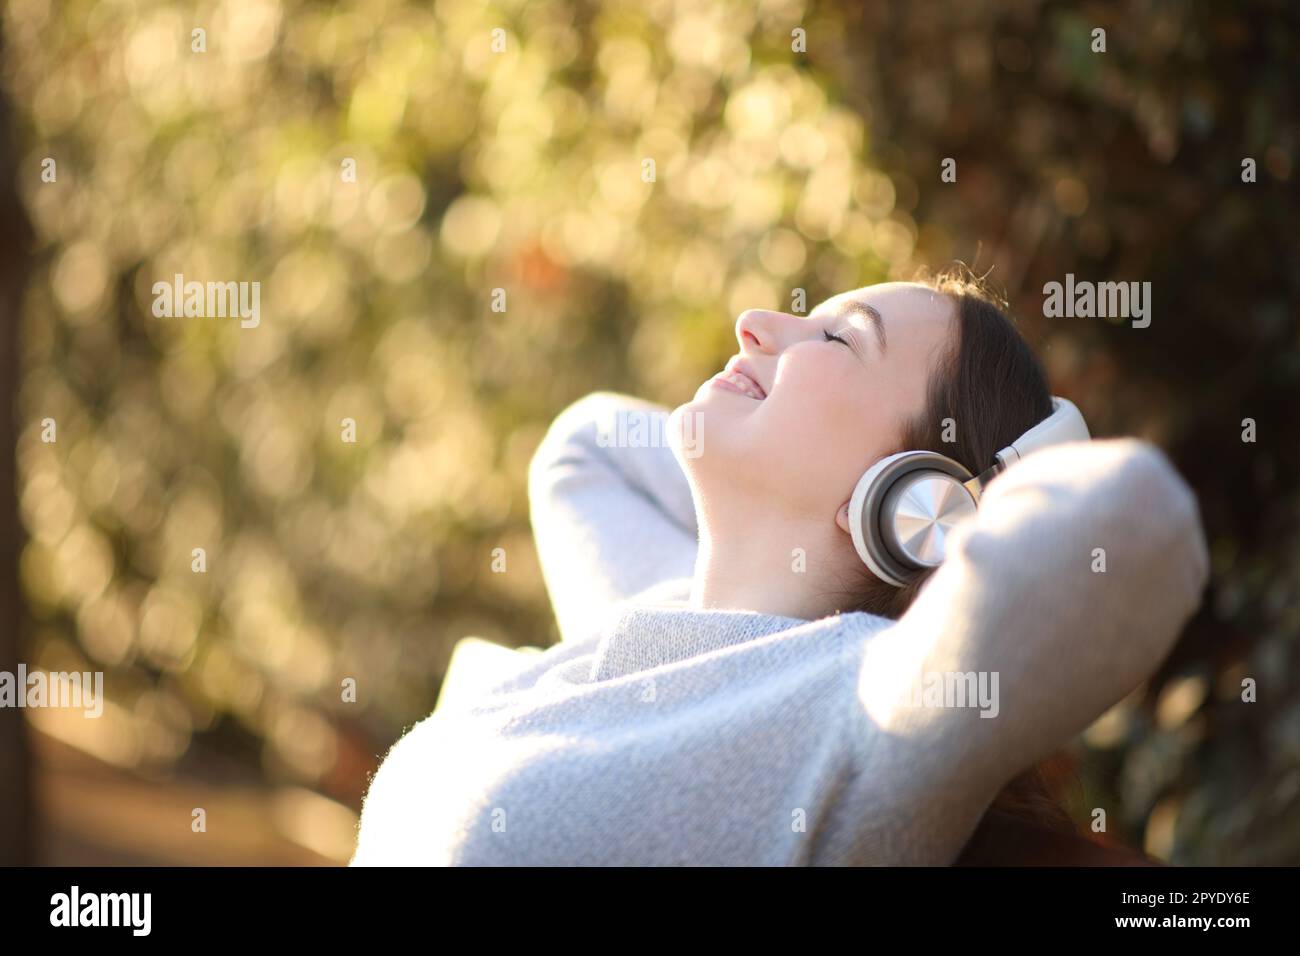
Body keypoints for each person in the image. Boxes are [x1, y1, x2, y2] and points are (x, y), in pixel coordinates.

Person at [351, 270, 1209, 866]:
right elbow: (588, 447)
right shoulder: (648, 621)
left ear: (915, 497)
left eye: (838, 337)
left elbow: (1138, 517)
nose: (757, 324)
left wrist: (980, 499)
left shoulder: (870, 713)